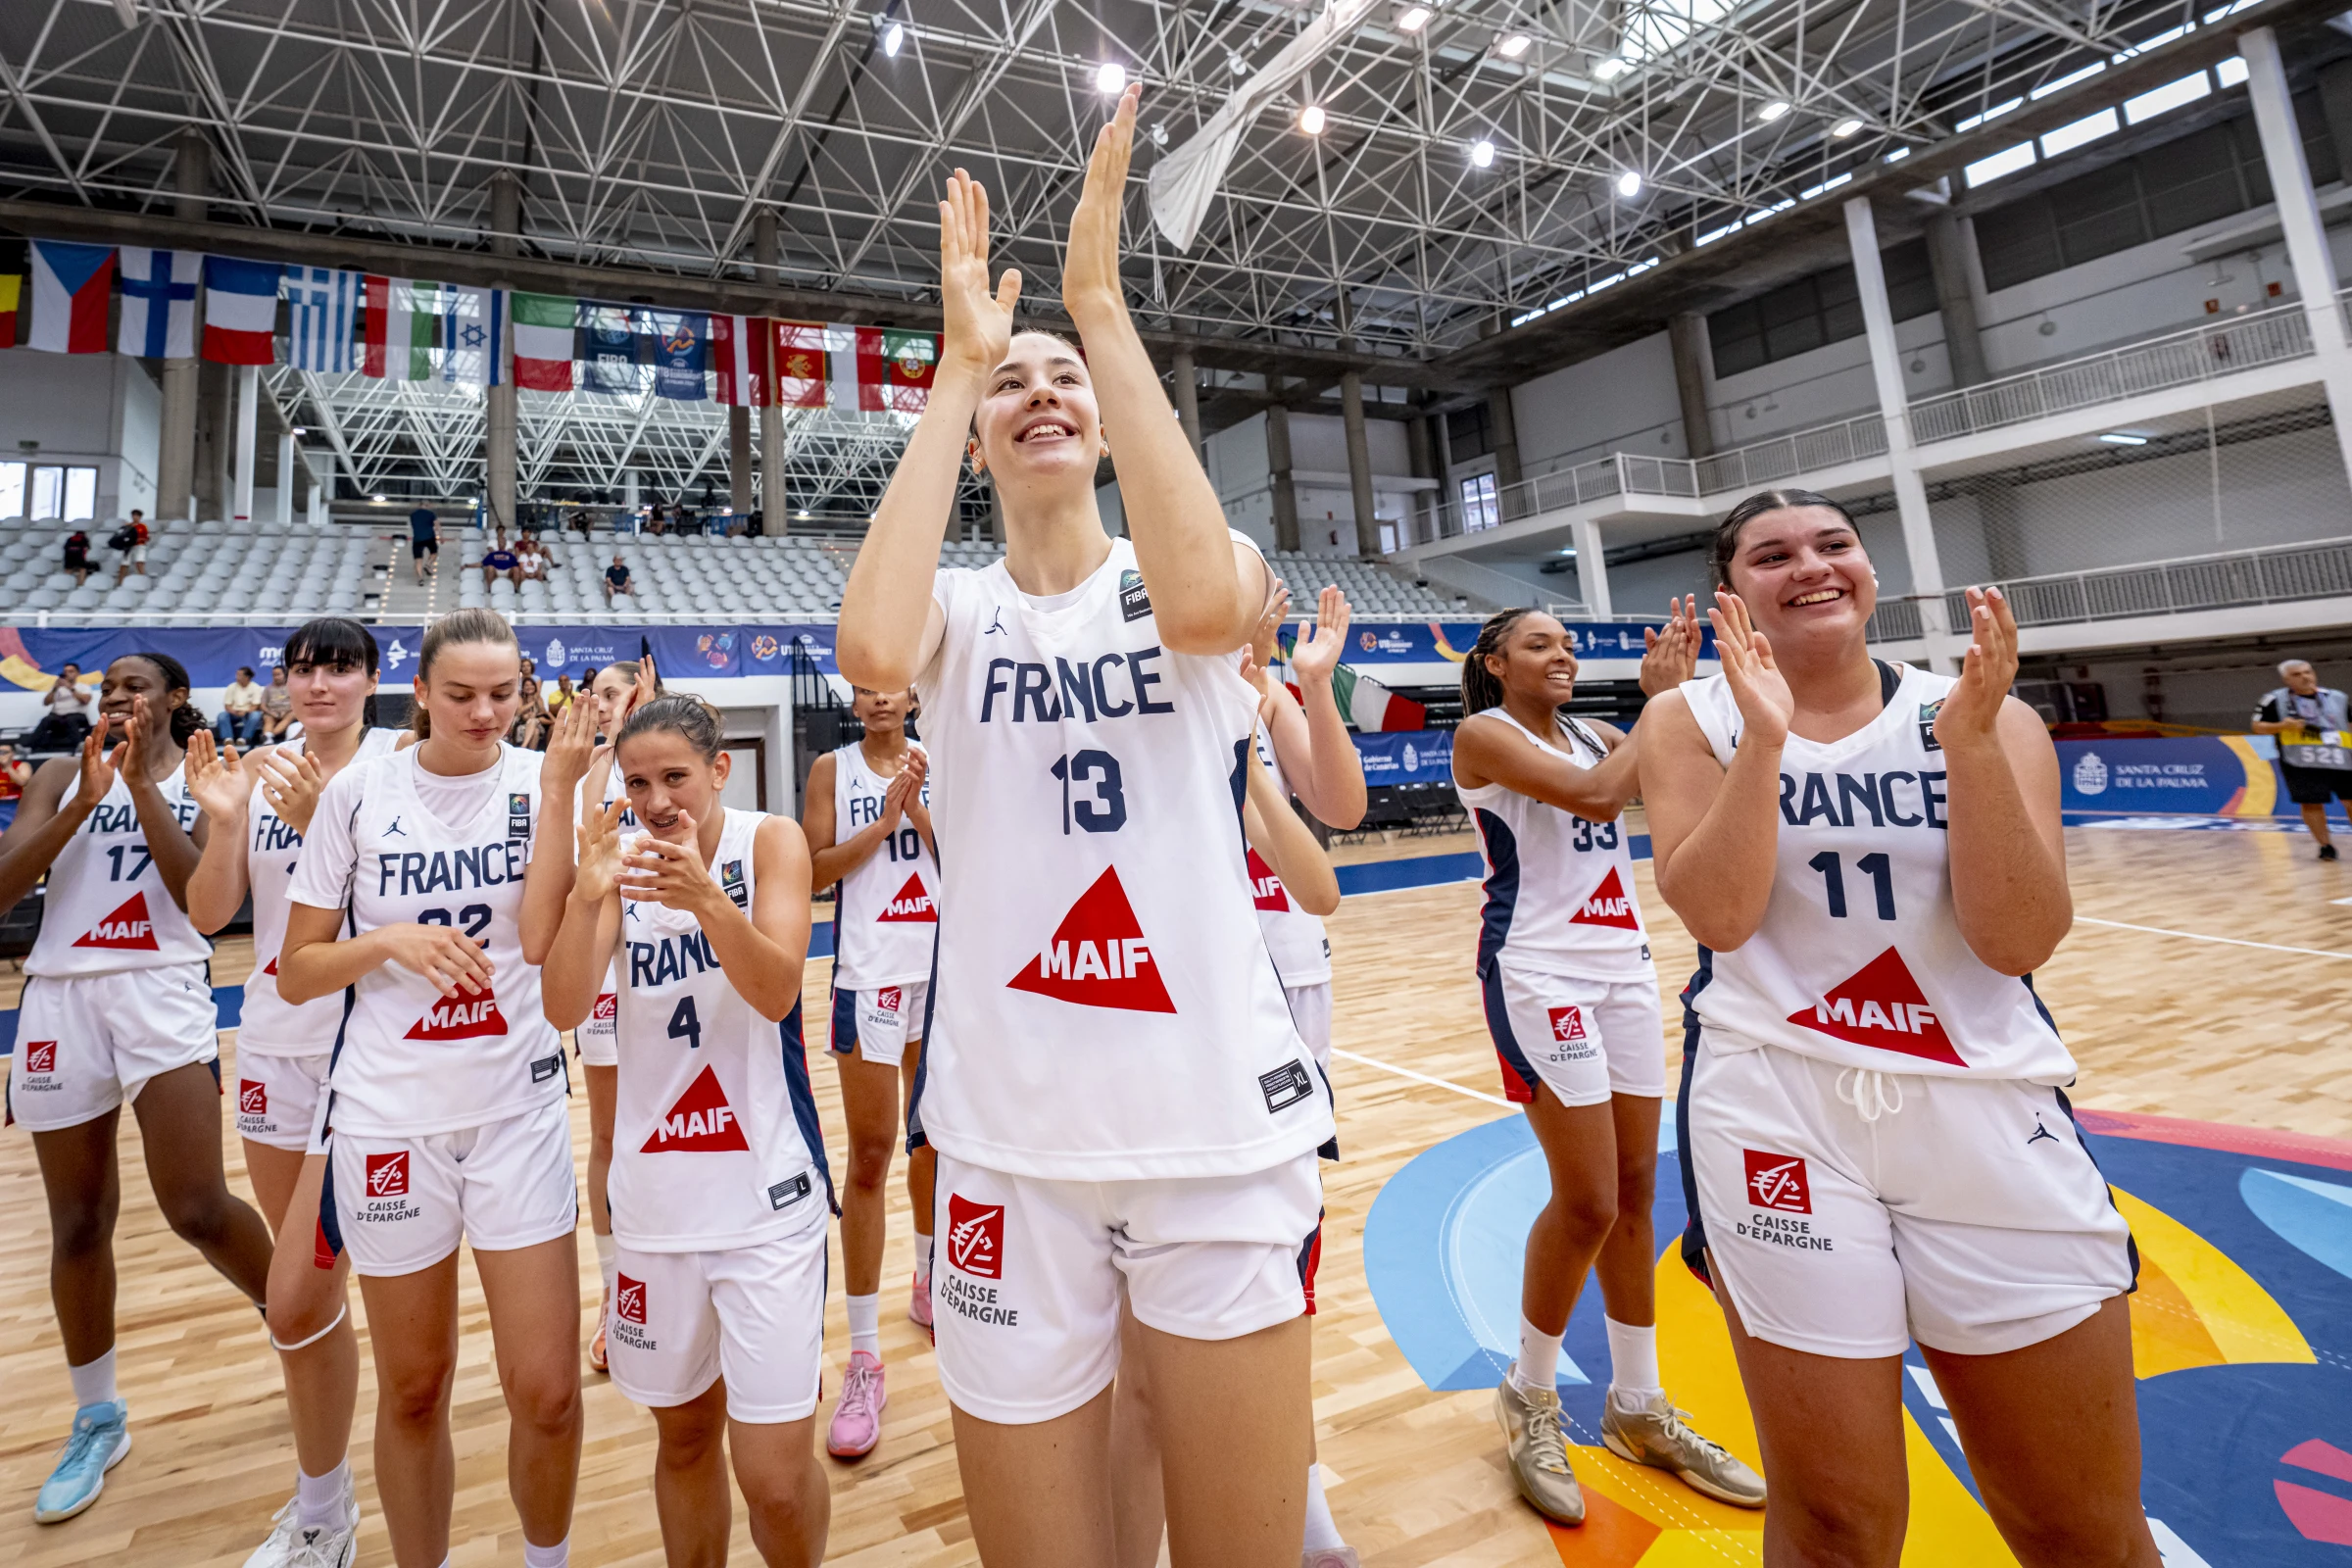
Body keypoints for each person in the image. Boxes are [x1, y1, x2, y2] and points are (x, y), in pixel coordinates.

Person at [836, 88, 1334, 1567]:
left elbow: (1202, 607)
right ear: (982, 438)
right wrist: (953, 373)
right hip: (1007, 1140)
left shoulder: (1194, 560)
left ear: (1112, 429)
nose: (1039, 394)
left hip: (1210, 1134)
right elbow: (868, 653)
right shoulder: (958, 612)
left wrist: (1099, 311)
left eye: (1066, 385)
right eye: (1016, 390)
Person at [1640, 489, 2151, 1568]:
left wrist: (1967, 749)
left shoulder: (1988, 713)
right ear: (1736, 593)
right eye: (1773, 554)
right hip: (1781, 1111)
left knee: (2082, 1532)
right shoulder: (1689, 721)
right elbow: (1720, 917)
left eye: (1834, 544)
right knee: (1834, 1529)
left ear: (1868, 568)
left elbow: (2018, 940)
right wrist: (1767, 744)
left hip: (1985, 1109)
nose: (1811, 566)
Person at [277, 610, 590, 1568]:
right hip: (389, 1120)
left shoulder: (548, 790)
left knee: (547, 1390)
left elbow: (553, 951)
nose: (485, 712)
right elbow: (295, 969)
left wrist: (569, 801)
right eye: (461, 694)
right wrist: (388, 942)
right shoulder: (360, 793)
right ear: (418, 691)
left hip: (515, 1110)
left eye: (504, 693)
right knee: (415, 1386)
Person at [1448, 603, 1765, 1528]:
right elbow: (1593, 796)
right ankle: (1530, 1395)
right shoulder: (1484, 734)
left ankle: (1638, 1403)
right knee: (1585, 1198)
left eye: (1568, 643)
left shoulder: (1603, 729)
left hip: (1622, 964)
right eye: (1539, 643)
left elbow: (1666, 787)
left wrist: (1683, 715)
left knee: (1634, 1191)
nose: (1562, 655)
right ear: (1497, 662)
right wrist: (1662, 706)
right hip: (1537, 970)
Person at [543, 696, 831, 1567]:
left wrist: (708, 900)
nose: (657, 799)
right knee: (685, 1441)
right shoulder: (617, 861)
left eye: (674, 777)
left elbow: (778, 990)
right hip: (658, 1205)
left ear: (718, 771)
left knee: (775, 1479)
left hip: (767, 1203)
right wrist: (588, 894)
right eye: (637, 782)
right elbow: (562, 1003)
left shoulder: (768, 842)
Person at [0, 654, 276, 1524]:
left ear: (175, 699)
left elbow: (202, 899)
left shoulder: (209, 775)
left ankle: (298, 1318)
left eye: (135, 686)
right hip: (60, 995)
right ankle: (98, 1417)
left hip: (161, 984)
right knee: (79, 1222)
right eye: (109, 688)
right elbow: (5, 885)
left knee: (195, 1203)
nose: (118, 697)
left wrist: (140, 786)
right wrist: (85, 799)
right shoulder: (57, 772)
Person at [182, 618, 409, 1568]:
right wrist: (226, 820)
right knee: (310, 1300)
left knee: (298, 1290)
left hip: (373, 1050)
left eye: (339, 666)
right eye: (304, 667)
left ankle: (336, 1504)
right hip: (275, 1044)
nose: (319, 683)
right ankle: (327, 1507)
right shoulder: (255, 767)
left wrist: (329, 821)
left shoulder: (401, 765)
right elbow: (207, 914)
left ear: (371, 677)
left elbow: (414, 912)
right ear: (284, 679)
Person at [801, 685, 939, 1459]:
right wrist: (883, 825)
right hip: (870, 975)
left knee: (935, 1143)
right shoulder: (833, 769)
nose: (879, 698)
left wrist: (921, 815)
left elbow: (982, 860)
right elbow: (816, 870)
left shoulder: (943, 757)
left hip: (943, 972)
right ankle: (861, 1356)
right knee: (873, 1156)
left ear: (915, 691)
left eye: (893, 685)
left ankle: (926, 1280)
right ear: (853, 694)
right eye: (865, 686)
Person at [576, 657, 662, 1375]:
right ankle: (614, 1288)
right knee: (609, 1132)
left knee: (682, 1118)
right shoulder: (585, 772)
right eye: (598, 694)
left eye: (615, 691)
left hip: (675, 968)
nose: (606, 703)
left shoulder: (671, 754)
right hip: (606, 973)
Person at [2251, 659, 2352, 860]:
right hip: (2301, 761)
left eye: (2307, 672)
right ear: (2286, 679)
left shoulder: (2338, 697)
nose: (2305, 677)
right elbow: (2257, 726)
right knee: (2312, 804)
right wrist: (2282, 726)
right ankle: (2326, 846)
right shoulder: (2273, 699)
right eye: (2297, 674)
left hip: (2340, 759)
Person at [29, 662, 94, 752]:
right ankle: (28, 747)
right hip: (58, 718)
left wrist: (70, 688)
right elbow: (46, 702)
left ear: (77, 673)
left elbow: (85, 700)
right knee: (46, 720)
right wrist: (55, 689)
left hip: (77, 717)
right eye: (65, 671)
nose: (67, 674)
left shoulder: (83, 687)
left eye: (71, 671)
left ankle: (79, 745)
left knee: (71, 719)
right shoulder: (58, 688)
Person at [217, 668, 268, 747]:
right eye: (237, 675)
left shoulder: (255, 687)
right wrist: (235, 712)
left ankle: (244, 738)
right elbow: (227, 705)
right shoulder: (231, 687)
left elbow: (256, 706)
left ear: (247, 677)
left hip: (248, 713)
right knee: (222, 715)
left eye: (239, 675)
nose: (236, 677)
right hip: (234, 713)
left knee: (256, 715)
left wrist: (245, 712)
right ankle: (228, 739)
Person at [511, 676, 554, 751]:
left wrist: (536, 701)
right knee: (535, 731)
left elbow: (543, 712)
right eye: (526, 685)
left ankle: (523, 747)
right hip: (521, 724)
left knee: (533, 722)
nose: (529, 687)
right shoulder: (520, 698)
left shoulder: (539, 698)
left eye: (531, 685)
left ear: (535, 686)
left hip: (537, 723)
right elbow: (518, 711)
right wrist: (531, 703)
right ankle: (529, 752)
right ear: (523, 688)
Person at [260, 664, 297, 742]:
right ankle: (267, 737)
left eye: (278, 674)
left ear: (285, 674)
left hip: (288, 711)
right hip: (271, 711)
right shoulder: (268, 688)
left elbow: (297, 702)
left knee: (292, 715)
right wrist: (272, 713)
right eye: (274, 675)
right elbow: (263, 705)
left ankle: (269, 736)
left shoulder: (292, 686)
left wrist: (285, 711)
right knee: (268, 719)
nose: (276, 677)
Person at [111, 512, 149, 584]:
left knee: (139, 563)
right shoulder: (127, 526)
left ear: (140, 517)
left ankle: (144, 581)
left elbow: (146, 538)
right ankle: (120, 582)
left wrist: (137, 539)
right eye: (134, 515)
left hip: (139, 546)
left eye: (137, 516)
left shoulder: (143, 526)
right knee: (124, 564)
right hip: (128, 546)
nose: (135, 517)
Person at [409, 506, 439, 583]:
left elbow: (413, 525)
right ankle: (428, 564)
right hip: (429, 537)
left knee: (418, 560)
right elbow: (437, 525)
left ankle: (420, 578)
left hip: (417, 538)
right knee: (434, 553)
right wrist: (441, 536)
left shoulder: (413, 515)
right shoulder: (431, 514)